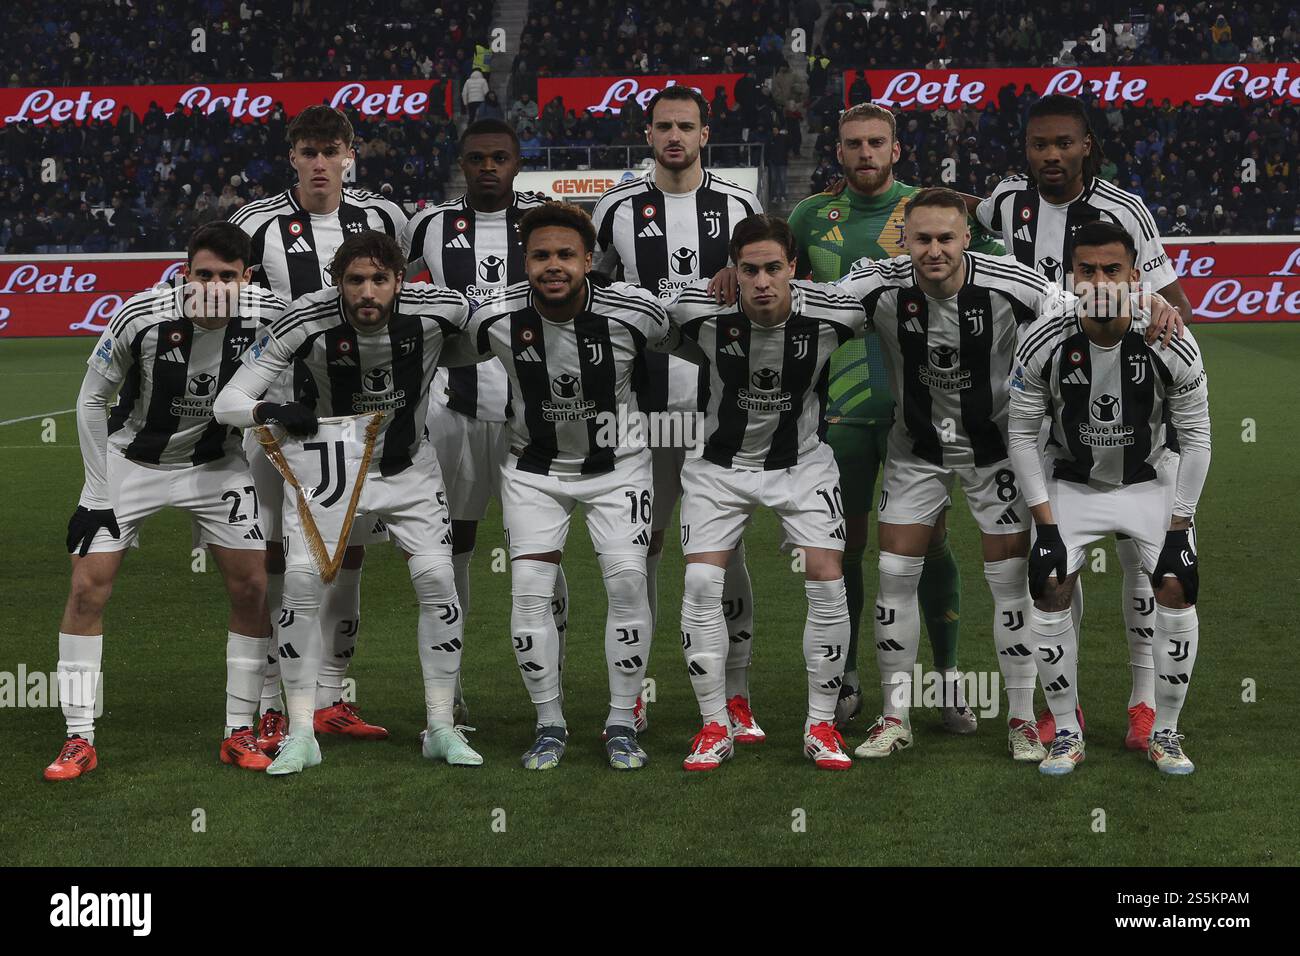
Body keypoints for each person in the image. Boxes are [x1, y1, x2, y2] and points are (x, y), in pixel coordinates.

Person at [969, 94, 1193, 748]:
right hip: (1039, 407)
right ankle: (1061, 709)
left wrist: (1164, 319)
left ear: (1087, 144)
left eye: (1064, 143)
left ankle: (1143, 701)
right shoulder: (1009, 202)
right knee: (1054, 558)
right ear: (1027, 148)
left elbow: (1171, 298)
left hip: (1128, 405)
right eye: (1040, 144)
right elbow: (958, 207)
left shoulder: (1123, 211)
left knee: (1138, 556)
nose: (1051, 155)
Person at [214, 232, 477, 774]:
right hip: (328, 467)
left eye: (380, 280)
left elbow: (497, 334)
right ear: (337, 282)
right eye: (355, 280)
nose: (368, 292)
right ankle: (302, 732)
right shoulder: (304, 318)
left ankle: (442, 727)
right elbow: (229, 402)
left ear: (400, 281)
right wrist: (272, 410)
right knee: (304, 586)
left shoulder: (440, 310)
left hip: (407, 467)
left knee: (438, 583)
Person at [785, 102, 1003, 734]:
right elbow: (784, 280)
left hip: (928, 410)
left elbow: (993, 275)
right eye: (853, 144)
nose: (865, 154)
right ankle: (850, 677)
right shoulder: (810, 216)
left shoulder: (932, 212)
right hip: (844, 411)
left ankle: (948, 678)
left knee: (927, 544)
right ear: (839, 152)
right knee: (846, 543)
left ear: (896, 149)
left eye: (876, 142)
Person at [440, 203, 678, 772]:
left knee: (626, 586)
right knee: (527, 592)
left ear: (588, 260)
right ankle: (549, 723)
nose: (553, 266)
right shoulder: (493, 319)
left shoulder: (637, 312)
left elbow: (698, 338)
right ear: (524, 261)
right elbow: (434, 348)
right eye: (541, 255)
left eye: (566, 255)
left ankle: (622, 721)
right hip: (532, 470)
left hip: (620, 465)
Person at [44, 222, 285, 780]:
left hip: (217, 465)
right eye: (204, 275)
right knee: (86, 588)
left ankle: (238, 730)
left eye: (228, 276)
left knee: (251, 587)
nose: (215, 286)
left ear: (246, 278)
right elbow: (90, 401)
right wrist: (98, 494)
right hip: (132, 464)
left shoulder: (271, 314)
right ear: (185, 275)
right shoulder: (142, 316)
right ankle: (79, 736)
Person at [590, 85, 766, 743]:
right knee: (646, 546)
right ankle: (632, 697)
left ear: (704, 133)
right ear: (647, 134)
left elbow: (766, 280)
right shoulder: (616, 208)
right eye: (663, 126)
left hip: (722, 405)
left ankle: (737, 697)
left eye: (684, 126)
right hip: (645, 405)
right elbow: (592, 288)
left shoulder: (740, 204)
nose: (673, 137)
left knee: (723, 548)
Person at [230, 105, 409, 750]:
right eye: (307, 151)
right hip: (279, 417)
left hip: (360, 418)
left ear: (349, 154)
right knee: (280, 555)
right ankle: (277, 703)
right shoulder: (254, 223)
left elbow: (404, 304)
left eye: (330, 150)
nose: (319, 163)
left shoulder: (385, 219)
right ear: (292, 158)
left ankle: (333, 695)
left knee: (347, 553)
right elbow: (226, 301)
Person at [1008, 221, 1209, 775]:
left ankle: (1165, 731)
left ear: (1135, 275)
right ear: (1072, 275)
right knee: (1048, 584)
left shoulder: (1169, 339)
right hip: (1073, 483)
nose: (1100, 281)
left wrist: (1178, 527)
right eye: (1088, 270)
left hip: (1149, 480)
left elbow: (1197, 440)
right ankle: (1067, 733)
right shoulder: (1045, 339)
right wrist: (1045, 526)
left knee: (1176, 581)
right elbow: (1023, 436)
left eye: (1112, 270)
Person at [670, 215, 863, 772]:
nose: (760, 281)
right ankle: (715, 724)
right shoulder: (698, 311)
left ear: (793, 269)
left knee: (827, 577)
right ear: (733, 269)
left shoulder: (833, 312)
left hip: (801, 464)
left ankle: (820, 725)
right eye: (749, 269)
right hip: (717, 467)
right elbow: (643, 304)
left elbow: (889, 284)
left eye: (772, 268)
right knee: (703, 580)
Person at [401, 119, 568, 710]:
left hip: (538, 412)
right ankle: (453, 692)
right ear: (462, 165)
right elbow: (381, 285)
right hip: (455, 410)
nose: (488, 167)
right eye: (477, 159)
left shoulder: (549, 220)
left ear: (518, 163)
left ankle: (553, 687)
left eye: (500, 157)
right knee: (455, 548)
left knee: (542, 549)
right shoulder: (427, 225)